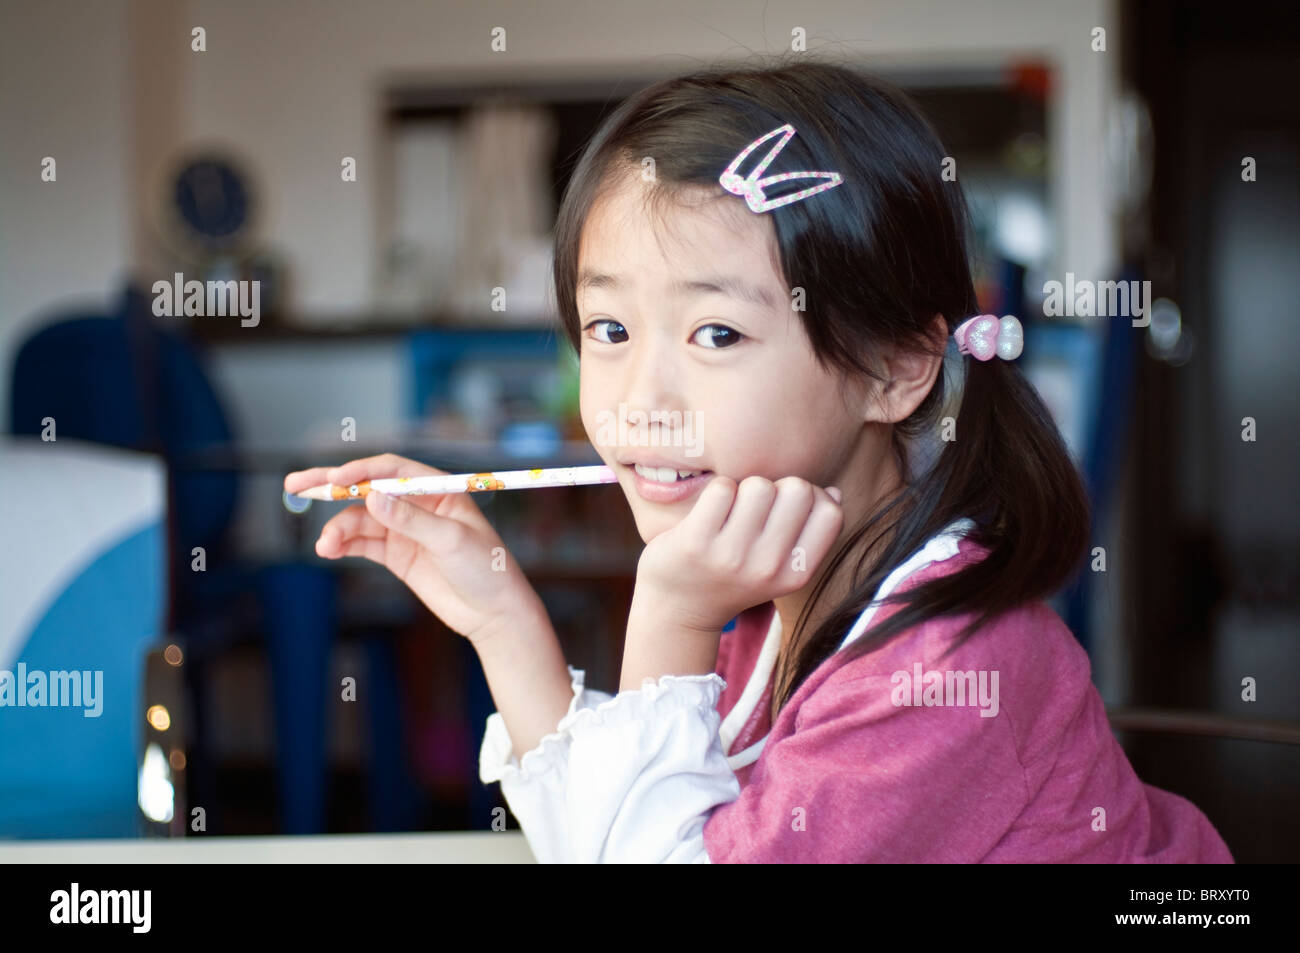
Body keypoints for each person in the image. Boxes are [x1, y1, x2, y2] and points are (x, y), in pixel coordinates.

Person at [285, 58, 1233, 863]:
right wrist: (500, 614)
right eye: (608, 328)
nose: (641, 400)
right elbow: (608, 836)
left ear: (896, 367)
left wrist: (671, 619)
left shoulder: (942, 666)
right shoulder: (787, 597)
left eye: (716, 333)